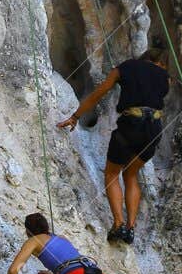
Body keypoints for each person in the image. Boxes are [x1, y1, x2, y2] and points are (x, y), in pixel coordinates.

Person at [57, 44, 171, 244]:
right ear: (161, 63)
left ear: (144, 58)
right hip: (153, 129)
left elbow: (98, 93)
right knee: (131, 174)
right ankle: (131, 228)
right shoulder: (166, 77)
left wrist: (75, 116)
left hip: (131, 123)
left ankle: (118, 224)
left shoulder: (126, 67)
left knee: (112, 173)